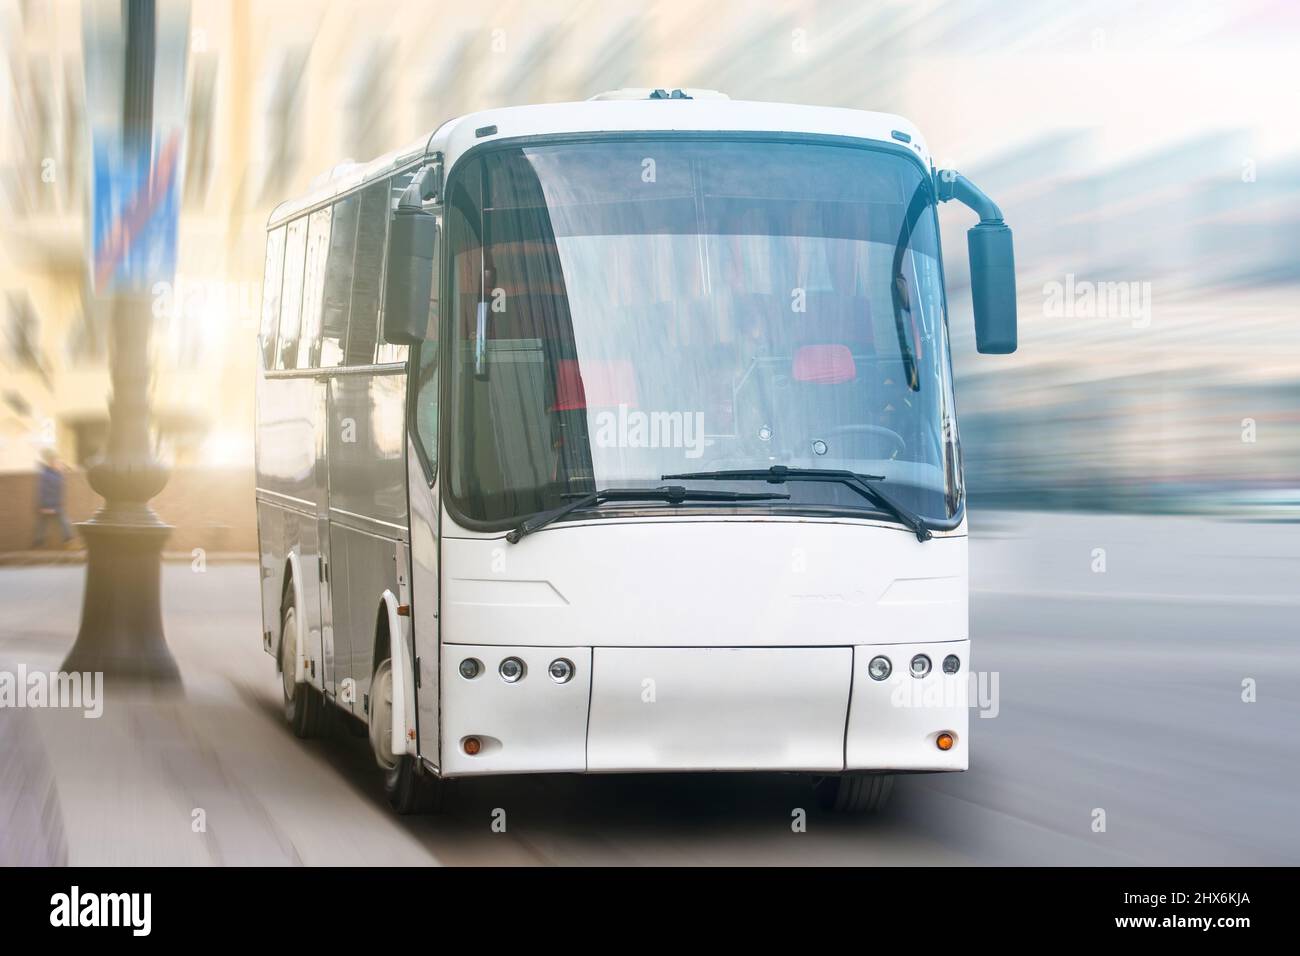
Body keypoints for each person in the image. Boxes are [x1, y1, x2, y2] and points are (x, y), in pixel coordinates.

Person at [32, 448, 73, 548]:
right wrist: (44, 506)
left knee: (43, 524)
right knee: (62, 522)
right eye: (56, 462)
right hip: (50, 504)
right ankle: (68, 541)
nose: (59, 464)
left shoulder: (55, 473)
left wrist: (63, 469)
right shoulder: (46, 475)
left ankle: (38, 543)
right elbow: (42, 491)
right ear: (49, 463)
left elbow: (66, 469)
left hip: (55, 504)